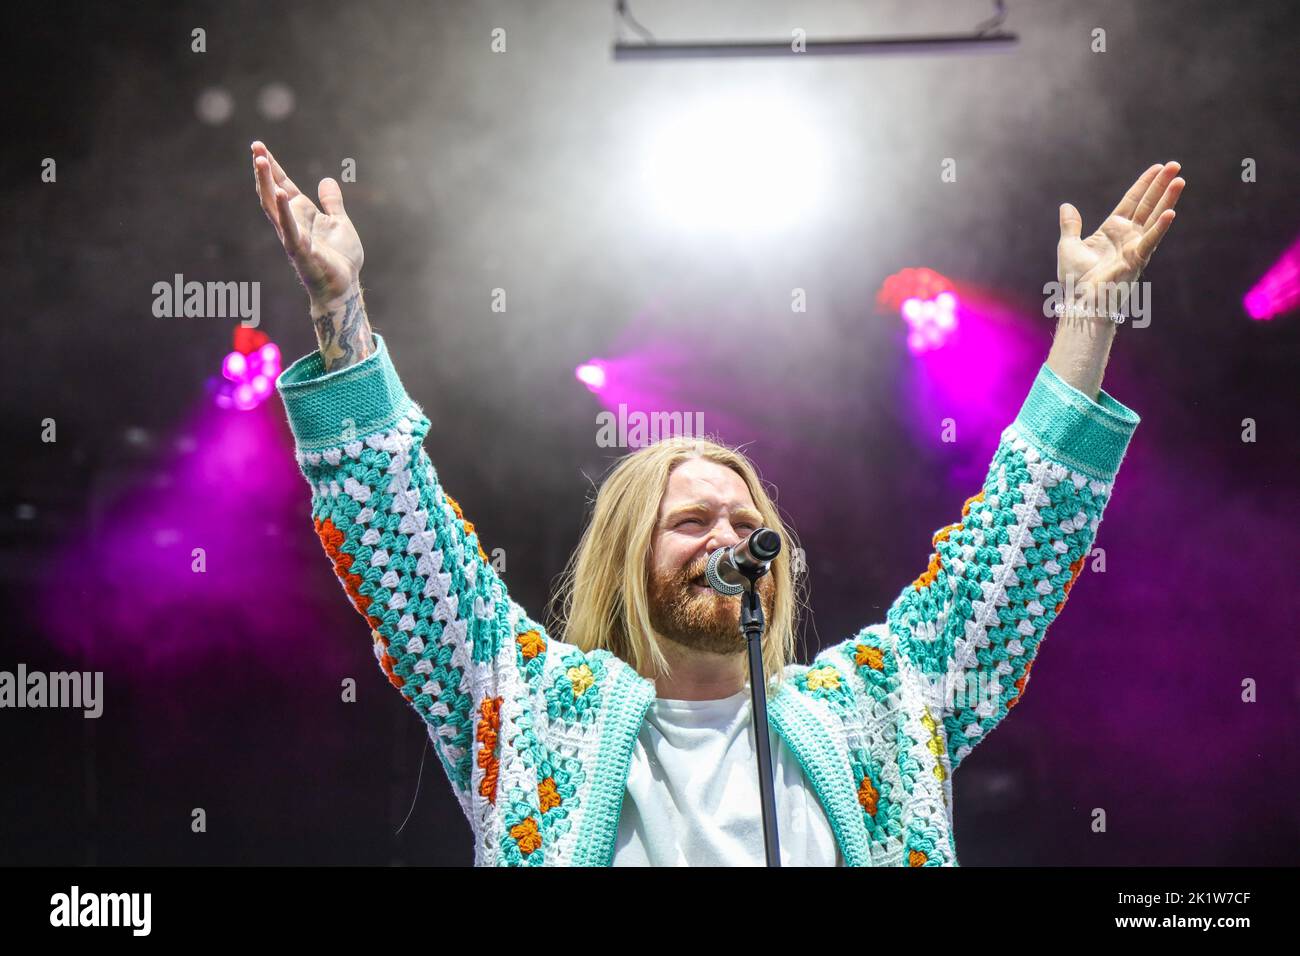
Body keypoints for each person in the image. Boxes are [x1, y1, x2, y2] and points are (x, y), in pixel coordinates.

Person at [252, 140, 1182, 866]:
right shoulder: (527, 709)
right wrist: (340, 311)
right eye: (692, 523)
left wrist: (1087, 325)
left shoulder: (878, 706)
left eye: (747, 525)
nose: (729, 539)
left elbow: (1016, 547)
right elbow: (400, 536)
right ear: (626, 558)